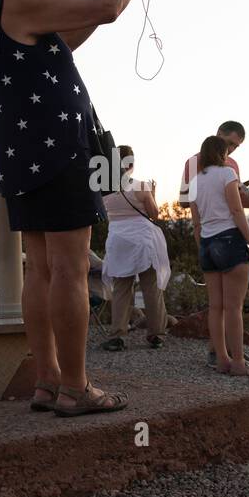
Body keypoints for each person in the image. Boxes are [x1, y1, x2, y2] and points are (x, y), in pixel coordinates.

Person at [0, 0, 146, 416]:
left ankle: (48, 381)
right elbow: (106, 9)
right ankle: (76, 387)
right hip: (59, 151)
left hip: (19, 156)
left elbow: (64, 41)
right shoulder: (22, 1)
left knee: (41, 270)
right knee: (69, 268)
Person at [179, 121, 249, 369]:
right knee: (233, 306)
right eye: (229, 144)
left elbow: (203, 208)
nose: (232, 150)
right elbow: (234, 207)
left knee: (218, 305)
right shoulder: (213, 167)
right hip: (229, 236)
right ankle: (231, 358)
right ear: (219, 137)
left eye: (236, 146)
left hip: (207, 239)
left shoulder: (216, 171)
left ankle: (225, 355)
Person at [100, 145, 169, 351]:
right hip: (142, 240)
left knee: (121, 288)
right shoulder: (140, 186)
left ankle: (117, 335)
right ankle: (156, 334)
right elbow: (154, 213)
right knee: (151, 286)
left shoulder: (104, 189)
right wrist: (153, 194)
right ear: (130, 164)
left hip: (118, 240)